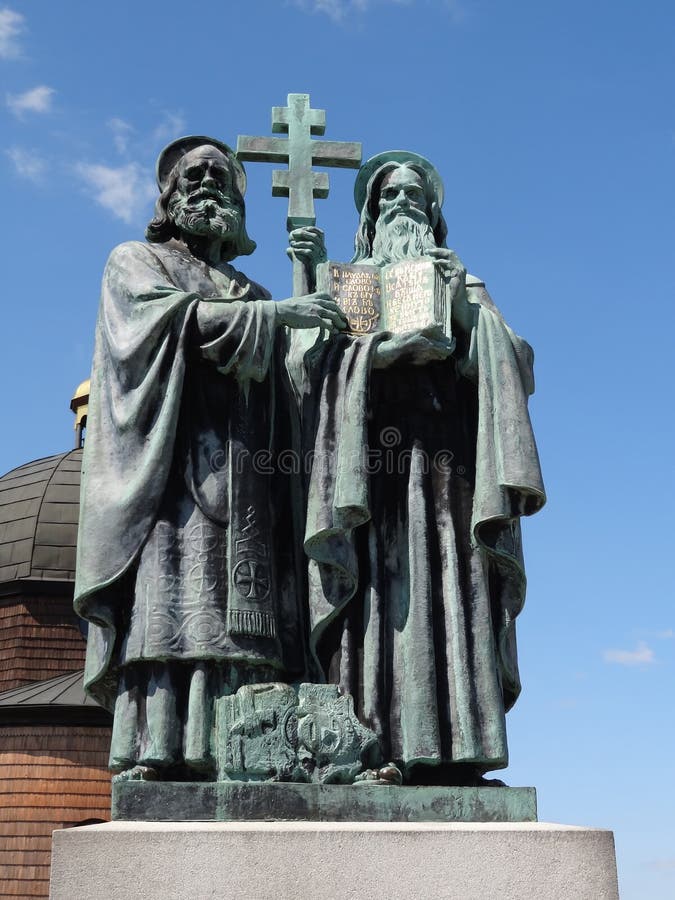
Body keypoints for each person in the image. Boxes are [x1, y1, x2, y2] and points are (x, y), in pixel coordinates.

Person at [74, 136, 347, 778]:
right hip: (171, 470)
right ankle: (166, 750)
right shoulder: (135, 260)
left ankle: (254, 752)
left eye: (220, 178)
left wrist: (311, 294)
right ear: (167, 197)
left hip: (251, 475)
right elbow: (164, 325)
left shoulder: (248, 285)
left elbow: (295, 387)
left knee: (252, 618)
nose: (206, 185)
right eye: (192, 177)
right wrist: (276, 314)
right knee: (177, 602)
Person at [287, 151, 546, 785]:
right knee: (375, 604)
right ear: (371, 215)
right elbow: (306, 376)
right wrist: (377, 351)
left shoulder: (462, 279)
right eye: (389, 198)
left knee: (453, 594)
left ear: (432, 211)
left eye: (412, 196)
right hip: (369, 470)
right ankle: (370, 750)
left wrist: (463, 314)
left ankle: (458, 753)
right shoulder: (351, 283)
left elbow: (516, 364)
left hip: (450, 469)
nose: (401, 205)